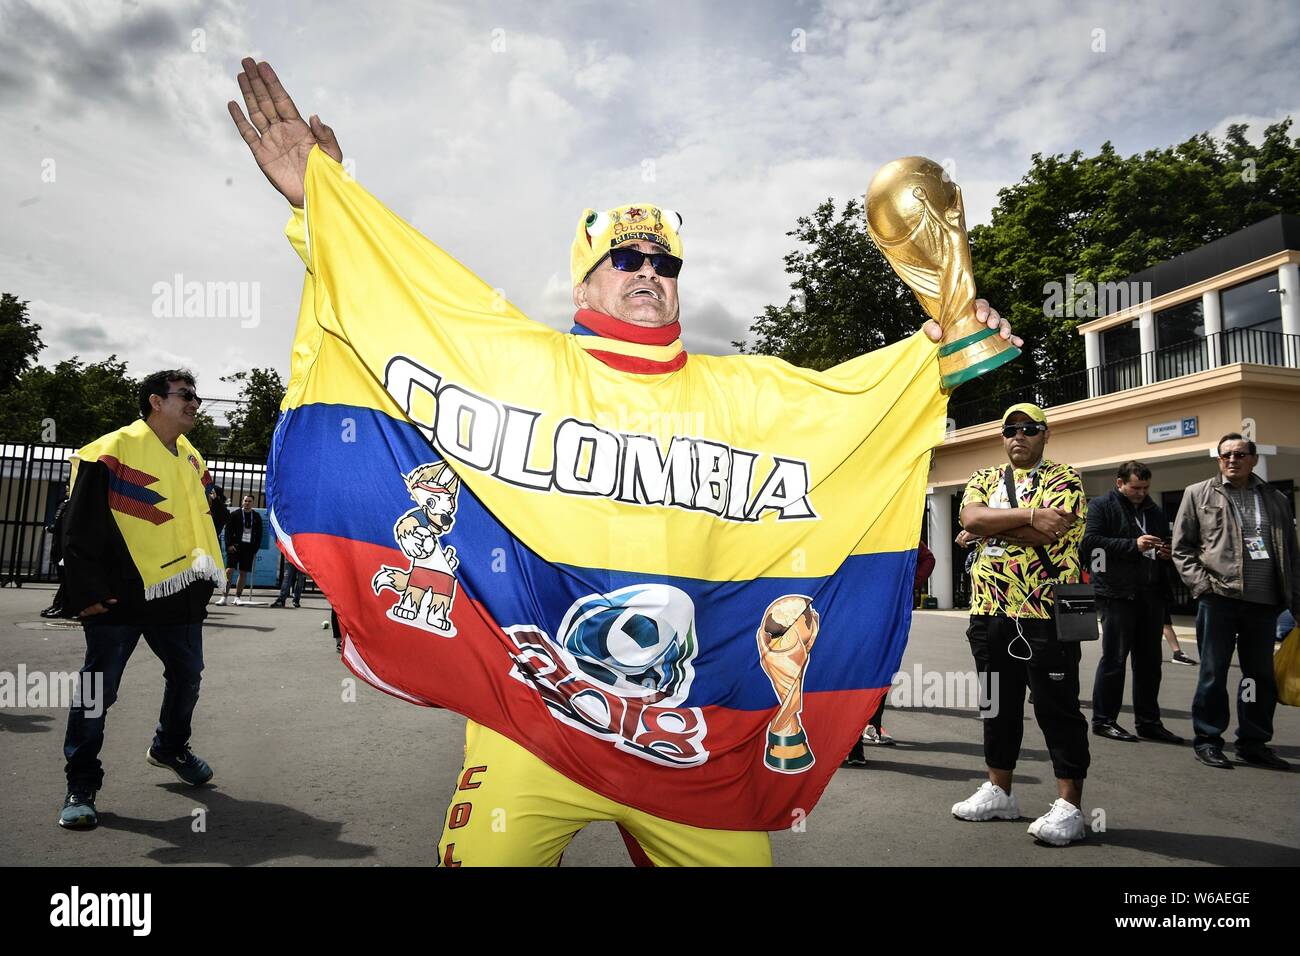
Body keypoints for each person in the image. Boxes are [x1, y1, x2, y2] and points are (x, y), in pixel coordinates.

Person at [228, 57, 1022, 866]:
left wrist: (944, 344)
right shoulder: (520, 367)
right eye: (628, 259)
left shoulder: (749, 391)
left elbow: (856, 403)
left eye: (666, 263)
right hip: (533, 729)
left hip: (693, 745)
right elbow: (400, 299)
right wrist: (318, 208)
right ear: (585, 283)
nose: (650, 271)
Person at [57, 370, 223, 830]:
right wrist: (86, 593)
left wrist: (203, 581)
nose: (195, 403)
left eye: (196, 396)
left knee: (188, 675)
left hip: (176, 593)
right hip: (117, 595)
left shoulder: (191, 457)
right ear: (155, 401)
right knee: (98, 692)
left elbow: (204, 516)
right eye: (185, 395)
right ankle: (81, 784)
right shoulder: (111, 450)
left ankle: (169, 747)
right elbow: (78, 525)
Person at [951, 403, 1090, 846]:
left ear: (1045, 434)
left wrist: (990, 528)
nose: (1019, 435)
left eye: (1029, 429)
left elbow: (1049, 535)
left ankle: (1069, 807)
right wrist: (1030, 515)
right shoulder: (983, 478)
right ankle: (1000, 791)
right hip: (990, 610)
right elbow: (970, 517)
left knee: (1057, 708)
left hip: (1046, 611)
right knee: (997, 704)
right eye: (1011, 429)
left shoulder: (1065, 478)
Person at [1171, 433, 1298, 771]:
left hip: (1265, 603)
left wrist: (1293, 601)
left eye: (1240, 454)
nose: (1232, 460)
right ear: (1218, 460)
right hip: (1219, 599)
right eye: (1225, 455)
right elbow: (1181, 548)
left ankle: (1253, 742)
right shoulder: (1198, 494)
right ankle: (1209, 740)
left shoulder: (1275, 499)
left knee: (1258, 677)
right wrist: (1202, 587)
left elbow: (1291, 555)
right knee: (1213, 673)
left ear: (1253, 459)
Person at [1083, 461, 1183, 744]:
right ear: (1120, 483)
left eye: (1145, 488)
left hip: (1150, 592)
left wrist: (1165, 551)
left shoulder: (1153, 510)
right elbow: (1090, 543)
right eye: (1135, 487)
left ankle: (1149, 721)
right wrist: (1133, 545)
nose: (1141, 493)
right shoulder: (1102, 506)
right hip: (1116, 593)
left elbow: (1163, 541)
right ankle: (1104, 720)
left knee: (1150, 662)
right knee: (1114, 659)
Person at [218, 494, 262, 605]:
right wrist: (229, 545)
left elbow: (259, 534)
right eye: (245, 500)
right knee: (229, 571)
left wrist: (254, 549)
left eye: (250, 501)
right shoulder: (235, 514)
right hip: (234, 547)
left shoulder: (256, 516)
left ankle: (237, 597)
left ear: (253, 503)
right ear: (242, 501)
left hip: (248, 549)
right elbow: (227, 531)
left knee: (243, 572)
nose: (247, 503)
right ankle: (224, 597)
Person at [40, 488, 71, 618]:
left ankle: (63, 606)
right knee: (64, 578)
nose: (66, 489)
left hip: (66, 544)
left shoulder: (70, 503)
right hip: (59, 543)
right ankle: (59, 604)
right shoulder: (65, 502)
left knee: (67, 579)